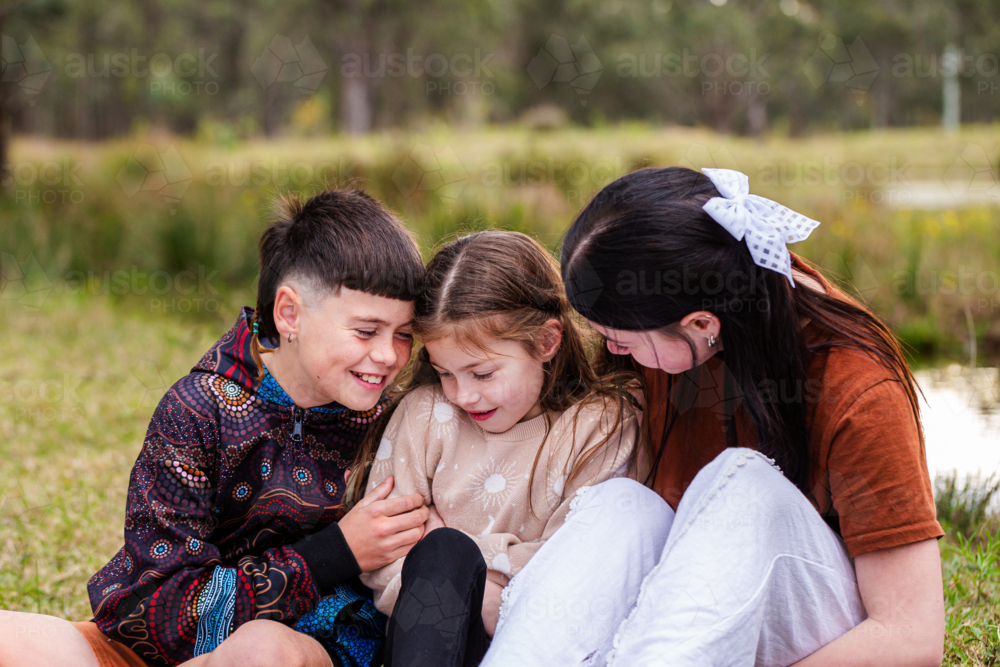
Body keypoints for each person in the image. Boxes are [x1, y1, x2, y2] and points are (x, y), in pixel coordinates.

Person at [482, 167, 945, 667]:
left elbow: (911, 637)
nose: (611, 352)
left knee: (743, 483)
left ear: (701, 323)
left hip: (810, 627)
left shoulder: (856, 385)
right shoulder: (674, 337)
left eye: (621, 339)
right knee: (622, 505)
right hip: (689, 617)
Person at [0, 189, 430, 667]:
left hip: (303, 654)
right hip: (148, 652)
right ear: (289, 314)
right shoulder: (199, 410)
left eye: (405, 334)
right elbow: (160, 610)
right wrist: (337, 552)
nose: (389, 356)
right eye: (366, 331)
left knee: (261, 652)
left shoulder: (399, 422)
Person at [351, 231, 643, 667]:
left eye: (482, 374)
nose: (463, 396)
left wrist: (464, 561)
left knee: (444, 547)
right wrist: (453, 571)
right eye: (445, 373)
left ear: (546, 342)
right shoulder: (428, 414)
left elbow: (578, 562)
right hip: (431, 647)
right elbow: (383, 556)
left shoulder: (598, 426)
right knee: (443, 555)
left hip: (546, 643)